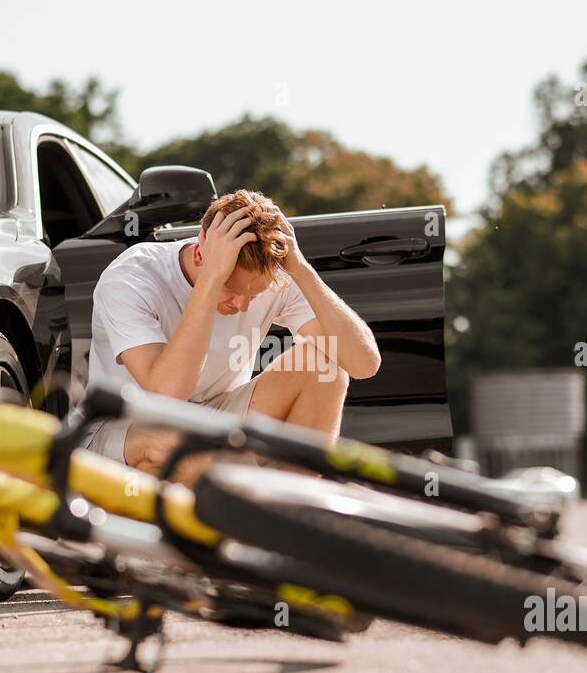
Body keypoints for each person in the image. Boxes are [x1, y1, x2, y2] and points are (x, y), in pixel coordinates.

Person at [81, 188, 381, 480]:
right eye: (233, 289)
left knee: (324, 367)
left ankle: (290, 510)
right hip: (125, 424)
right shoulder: (132, 278)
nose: (243, 305)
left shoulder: (272, 277)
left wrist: (301, 269)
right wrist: (211, 281)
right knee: (172, 444)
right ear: (200, 253)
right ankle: (269, 502)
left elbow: (364, 364)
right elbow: (166, 397)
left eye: (255, 293)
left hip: (216, 424)